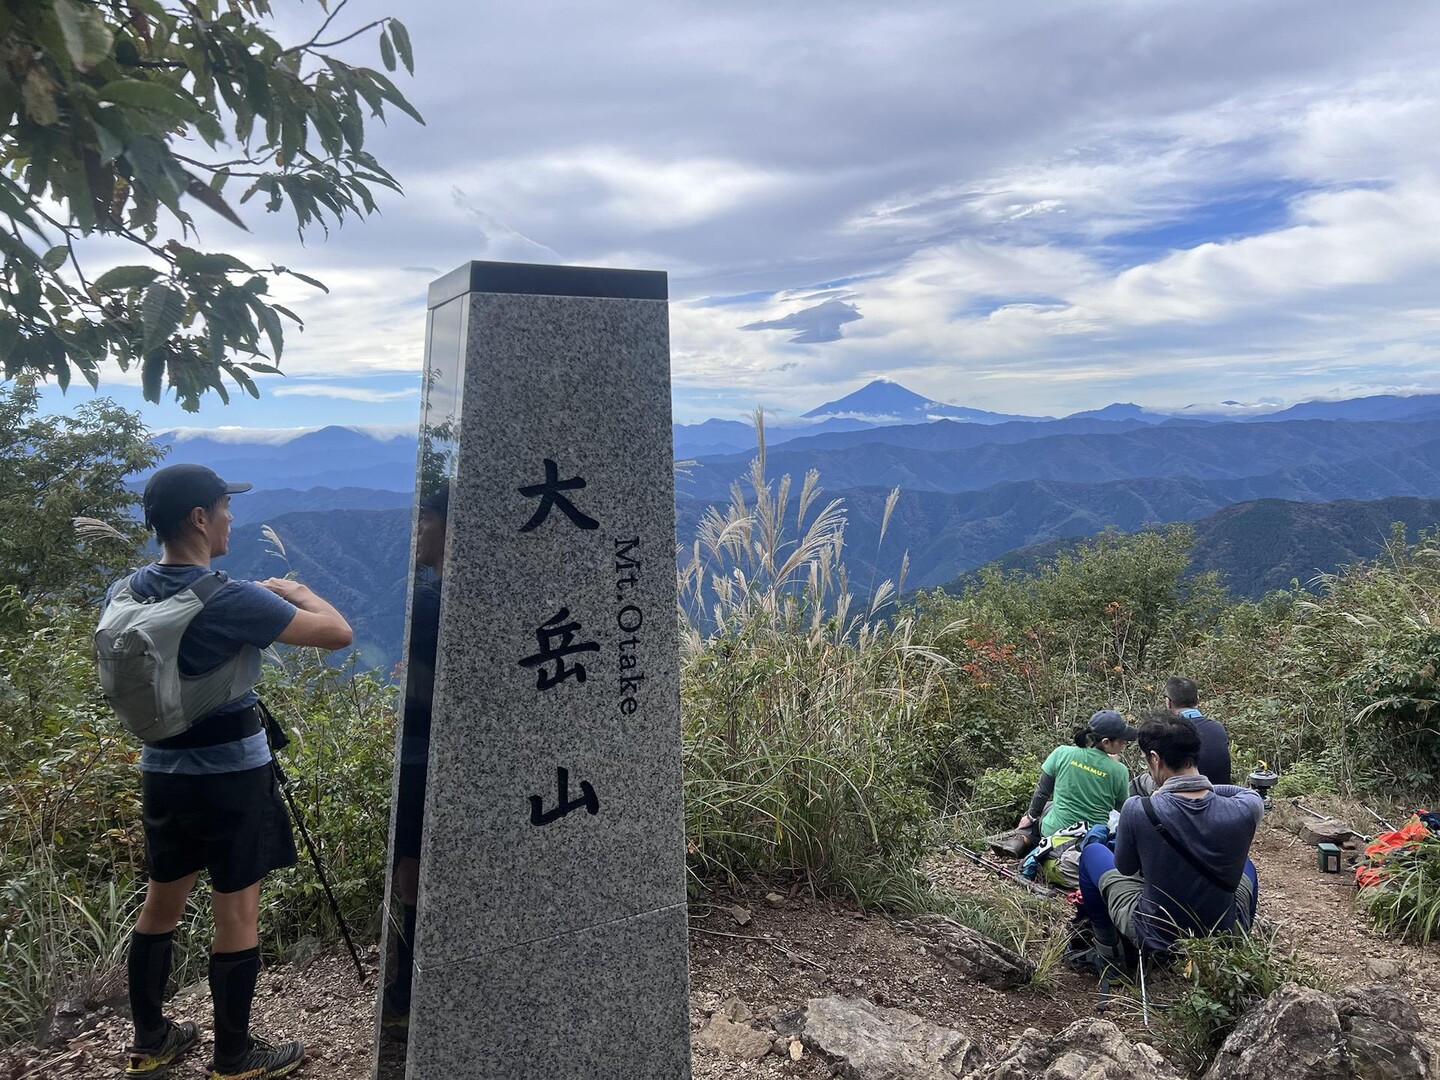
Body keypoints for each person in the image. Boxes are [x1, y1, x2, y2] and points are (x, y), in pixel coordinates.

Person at [110, 464, 352, 1080]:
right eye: (224, 507)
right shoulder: (232, 599)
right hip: (231, 779)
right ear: (199, 518)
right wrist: (296, 594)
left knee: (161, 905)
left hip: (161, 771)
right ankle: (234, 1057)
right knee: (236, 910)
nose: (231, 518)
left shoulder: (126, 591)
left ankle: (151, 1041)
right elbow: (338, 634)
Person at [1077, 712, 1262, 970]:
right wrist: (1201, 788)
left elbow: (1126, 869)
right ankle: (1236, 947)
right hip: (1222, 928)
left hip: (1154, 931)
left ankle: (1109, 952)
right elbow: (1244, 792)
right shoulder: (1248, 808)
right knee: (1248, 866)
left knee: (1093, 853)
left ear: (1155, 758)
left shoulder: (1139, 809)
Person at [382, 483, 447, 1033]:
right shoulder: (473, 598)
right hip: (439, 755)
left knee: (411, 866)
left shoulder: (428, 600)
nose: (415, 531)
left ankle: (406, 993)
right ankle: (408, 989)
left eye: (424, 519)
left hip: (421, 757)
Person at [1018, 710, 1137, 841]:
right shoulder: (1119, 770)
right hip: (1091, 838)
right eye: (1121, 741)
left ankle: (1023, 840)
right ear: (1106, 742)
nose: (1124, 744)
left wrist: (1030, 817)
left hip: (1053, 832)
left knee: (1045, 808)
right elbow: (1121, 807)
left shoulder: (1062, 753)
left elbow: (1042, 791)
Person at [1165, 675, 1231, 786]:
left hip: (1185, 799)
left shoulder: (1168, 732)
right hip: (1222, 795)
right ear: (1197, 700)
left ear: (1168, 702)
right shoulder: (1218, 728)